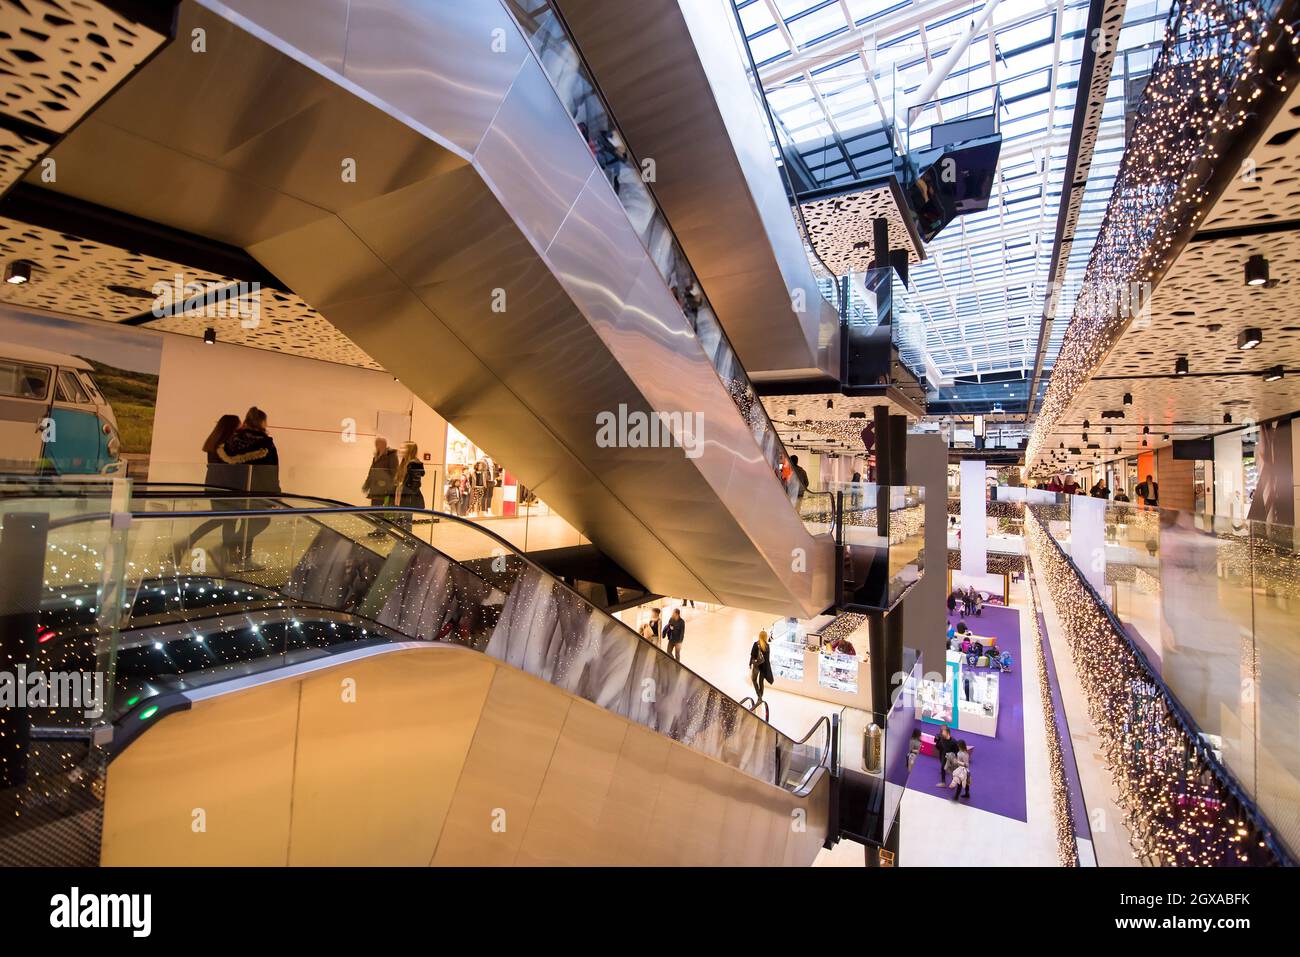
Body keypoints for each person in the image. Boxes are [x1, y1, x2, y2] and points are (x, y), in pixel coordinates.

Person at [173, 413, 242, 568]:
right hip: (225, 487)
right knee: (224, 519)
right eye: (238, 425)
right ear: (232, 427)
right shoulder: (226, 445)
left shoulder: (216, 443)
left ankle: (226, 554)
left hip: (215, 485)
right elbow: (234, 465)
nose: (240, 428)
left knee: (228, 520)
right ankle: (186, 544)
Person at [216, 406, 280, 567]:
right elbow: (271, 472)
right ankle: (239, 554)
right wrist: (275, 494)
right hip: (256, 491)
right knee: (259, 521)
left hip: (233, 490)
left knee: (234, 522)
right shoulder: (265, 444)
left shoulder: (232, 441)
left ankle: (234, 556)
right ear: (262, 422)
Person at [394, 441, 425, 529]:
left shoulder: (414, 464)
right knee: (401, 521)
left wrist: (406, 492)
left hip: (408, 496)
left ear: (410, 450)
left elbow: (415, 484)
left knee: (406, 521)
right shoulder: (404, 462)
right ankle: (403, 536)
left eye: (404, 448)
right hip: (401, 494)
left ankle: (406, 537)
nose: (400, 450)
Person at [363, 437, 399, 508]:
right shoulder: (376, 456)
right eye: (376, 444)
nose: (376, 445)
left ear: (384, 444)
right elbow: (372, 472)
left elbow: (394, 472)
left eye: (378, 444)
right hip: (375, 489)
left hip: (384, 490)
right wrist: (367, 484)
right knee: (374, 509)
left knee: (382, 510)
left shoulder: (391, 455)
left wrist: (387, 484)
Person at [749, 630, 775, 702]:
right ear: (765, 637)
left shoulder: (756, 644)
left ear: (759, 636)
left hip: (757, 665)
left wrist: (750, 663)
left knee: (754, 680)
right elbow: (767, 659)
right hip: (764, 667)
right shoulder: (767, 646)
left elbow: (752, 655)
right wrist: (767, 668)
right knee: (761, 682)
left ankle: (759, 696)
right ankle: (760, 698)